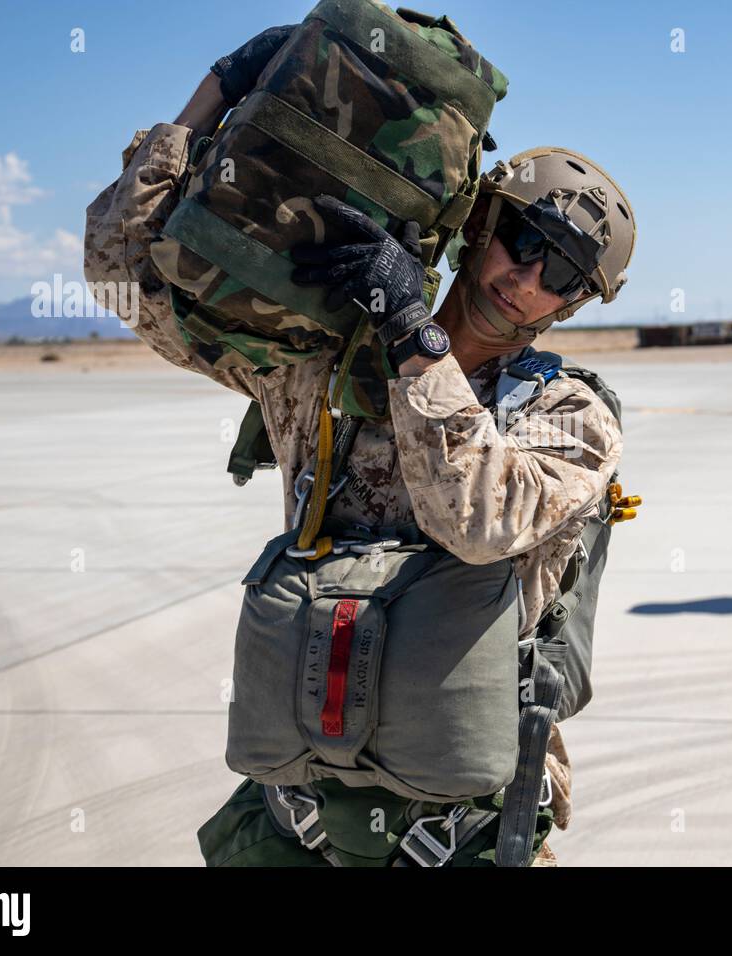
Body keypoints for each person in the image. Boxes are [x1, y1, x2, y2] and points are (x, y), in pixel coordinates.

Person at [83, 26, 636, 865]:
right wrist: (219, 92)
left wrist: (413, 330)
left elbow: (477, 520)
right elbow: (123, 272)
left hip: (455, 833)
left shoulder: (570, 418)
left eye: (561, 274)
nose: (526, 280)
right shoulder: (323, 361)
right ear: (478, 224)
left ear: (572, 304)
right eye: (523, 242)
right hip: (299, 812)